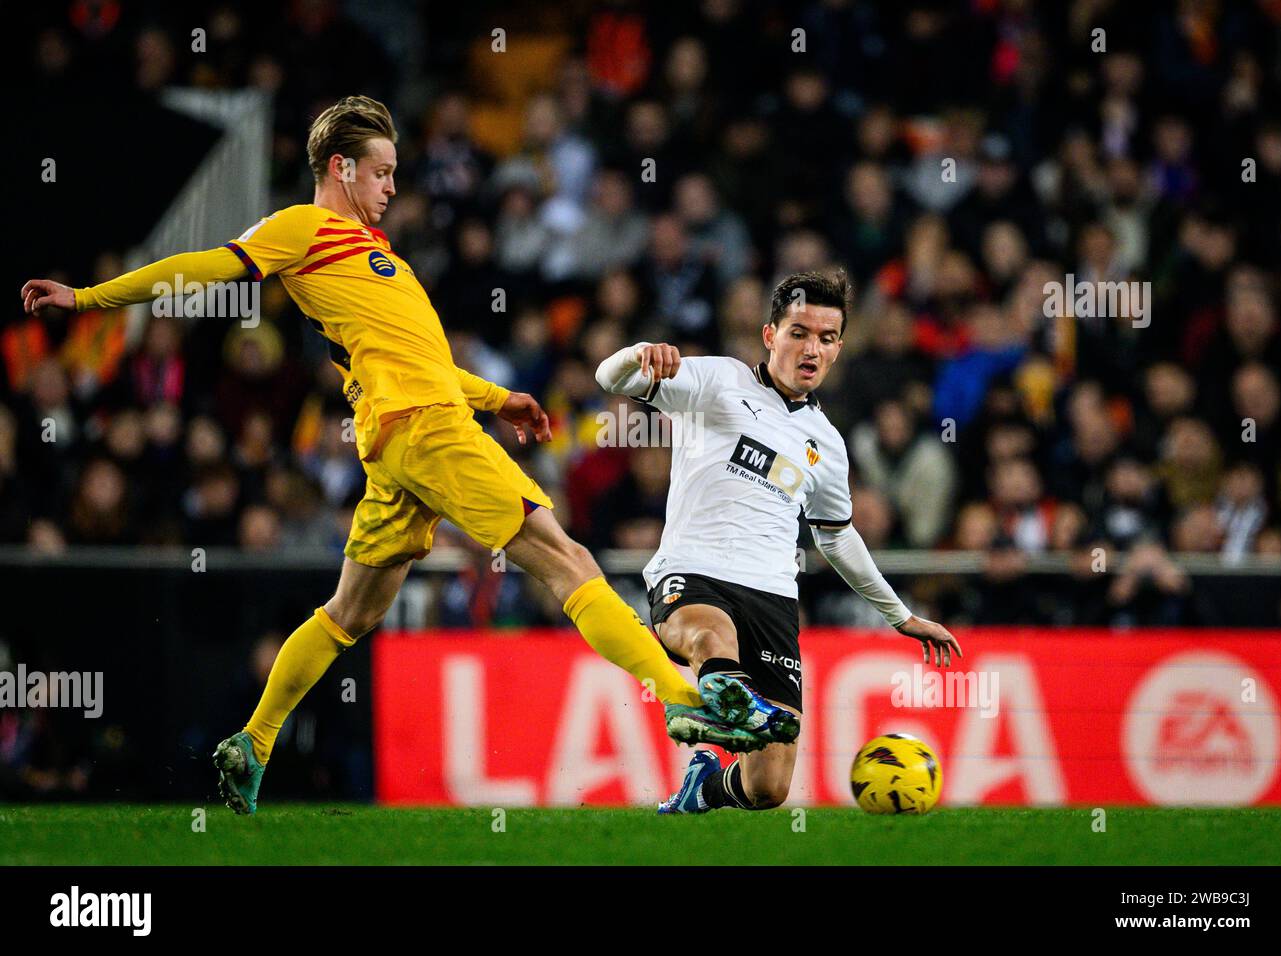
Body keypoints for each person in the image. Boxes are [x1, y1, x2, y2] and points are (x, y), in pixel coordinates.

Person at [21, 95, 755, 815]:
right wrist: (89, 300)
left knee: (349, 612)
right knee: (565, 559)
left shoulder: (378, 260)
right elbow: (204, 265)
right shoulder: (304, 227)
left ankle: (254, 741)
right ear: (340, 168)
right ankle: (682, 697)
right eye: (381, 172)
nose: (393, 187)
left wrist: (502, 401)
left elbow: (424, 362)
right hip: (427, 431)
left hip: (397, 443)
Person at [595, 269, 962, 813]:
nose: (812, 348)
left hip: (772, 598)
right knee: (710, 635)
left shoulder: (829, 446)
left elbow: (837, 539)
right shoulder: (717, 381)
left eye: (827, 337)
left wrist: (899, 615)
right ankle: (715, 694)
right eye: (799, 332)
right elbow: (610, 378)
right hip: (694, 572)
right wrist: (640, 354)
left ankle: (707, 778)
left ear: (838, 348)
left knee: (768, 788)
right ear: (770, 335)